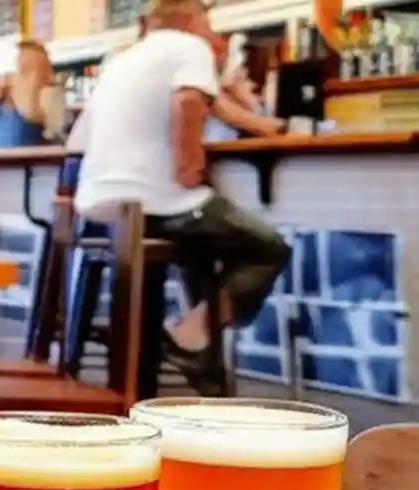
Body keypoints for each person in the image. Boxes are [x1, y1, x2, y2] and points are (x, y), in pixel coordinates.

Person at [73, 0, 290, 394]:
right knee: (268, 248)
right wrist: (189, 161)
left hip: (106, 205)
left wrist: (271, 126)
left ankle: (190, 358)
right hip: (157, 200)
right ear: (194, 21)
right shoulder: (190, 48)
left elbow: (212, 104)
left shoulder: (123, 60)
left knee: (203, 251)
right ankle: (187, 338)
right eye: (210, 23)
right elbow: (190, 100)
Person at [0, 41, 66, 148]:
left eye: (29, 68)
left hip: (33, 158)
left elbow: (51, 131)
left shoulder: (50, 94)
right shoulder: (4, 86)